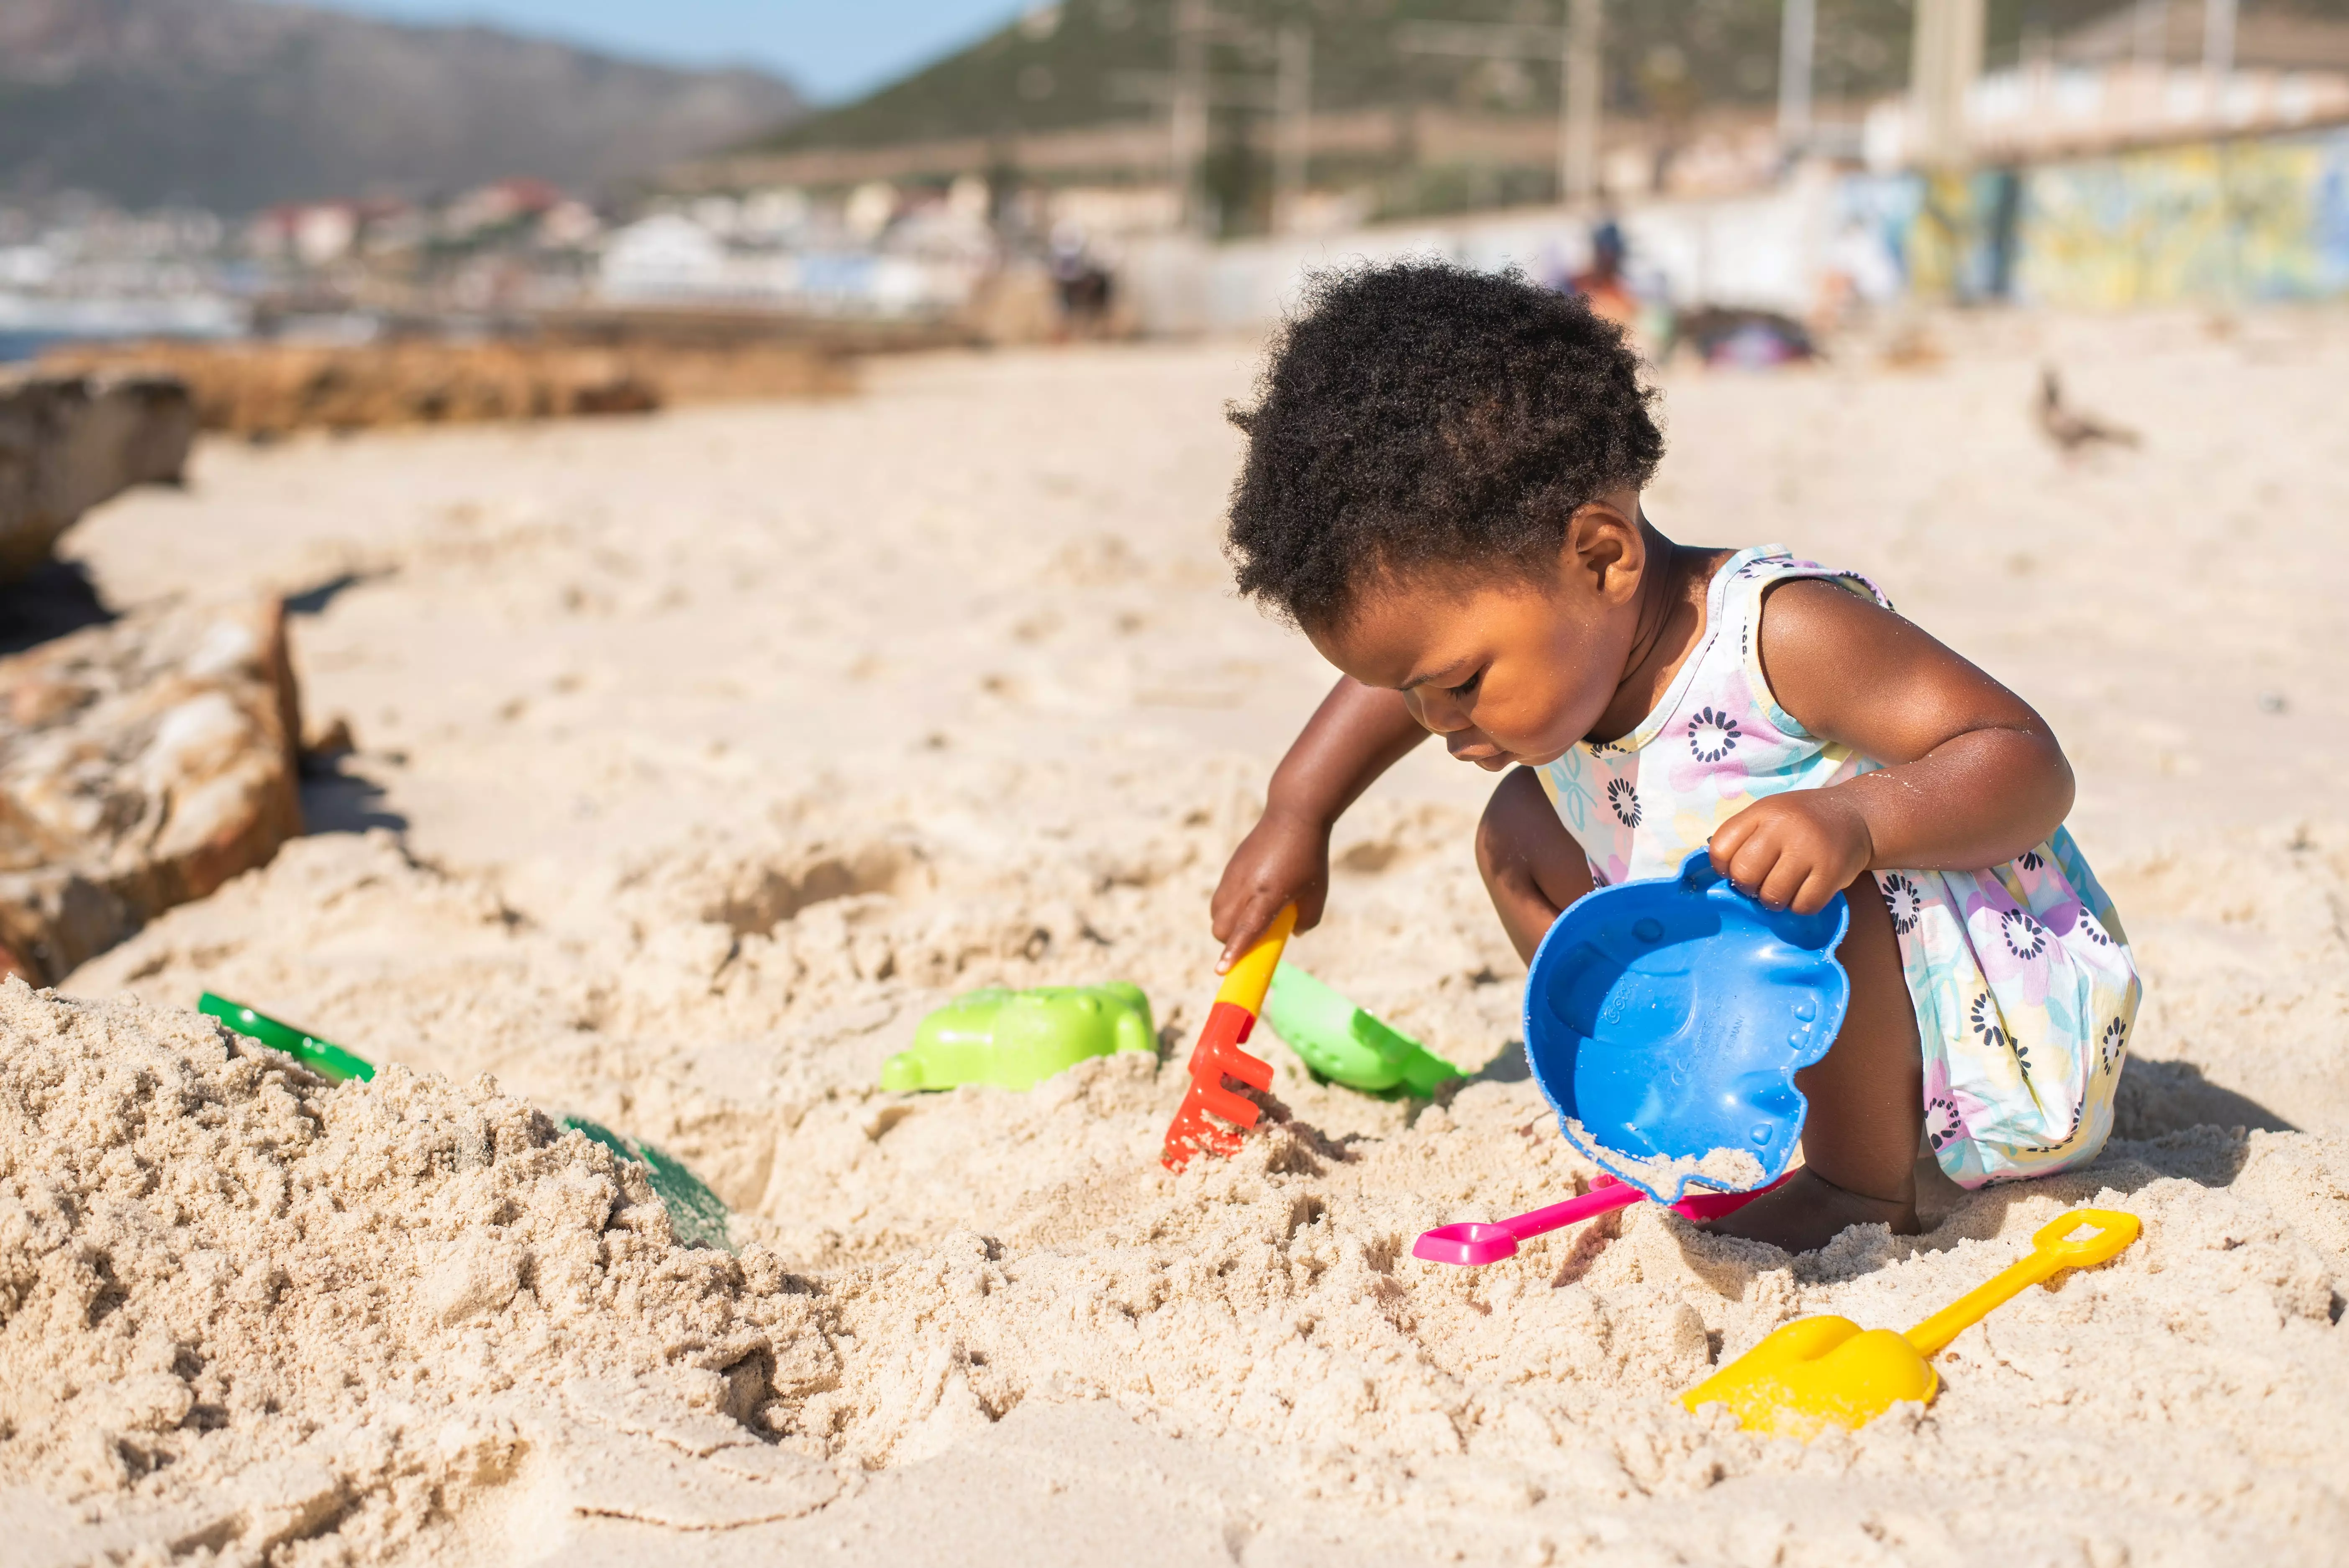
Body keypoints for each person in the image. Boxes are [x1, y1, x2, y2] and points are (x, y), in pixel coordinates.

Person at [1208, 262, 2139, 1253]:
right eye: (1409, 690)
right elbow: (1398, 672)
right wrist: (1298, 810)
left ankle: (1856, 1185)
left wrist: (1855, 820)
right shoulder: (1530, 637)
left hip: (1972, 1041)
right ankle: (1665, 1094)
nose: (1433, 721)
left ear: (1601, 557)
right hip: (1777, 1001)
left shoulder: (1778, 636)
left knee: (1822, 884)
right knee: (1519, 827)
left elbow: (2024, 763)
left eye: (1461, 683)